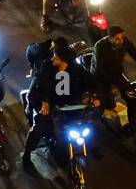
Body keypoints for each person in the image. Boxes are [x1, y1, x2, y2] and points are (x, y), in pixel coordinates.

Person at [20, 42, 99, 174]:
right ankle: (27, 155)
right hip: (49, 103)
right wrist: (45, 102)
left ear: (64, 61)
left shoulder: (76, 69)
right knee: (40, 127)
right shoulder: (47, 67)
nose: (52, 59)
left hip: (69, 103)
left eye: (55, 58)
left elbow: (90, 81)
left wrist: (95, 96)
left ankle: (91, 146)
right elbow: (41, 86)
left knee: (88, 121)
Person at [93, 25, 136, 112]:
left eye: (121, 37)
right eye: (117, 39)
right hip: (101, 77)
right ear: (110, 38)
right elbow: (100, 69)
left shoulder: (124, 41)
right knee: (109, 105)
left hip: (116, 72)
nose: (121, 40)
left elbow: (135, 54)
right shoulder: (100, 47)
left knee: (131, 96)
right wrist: (112, 85)